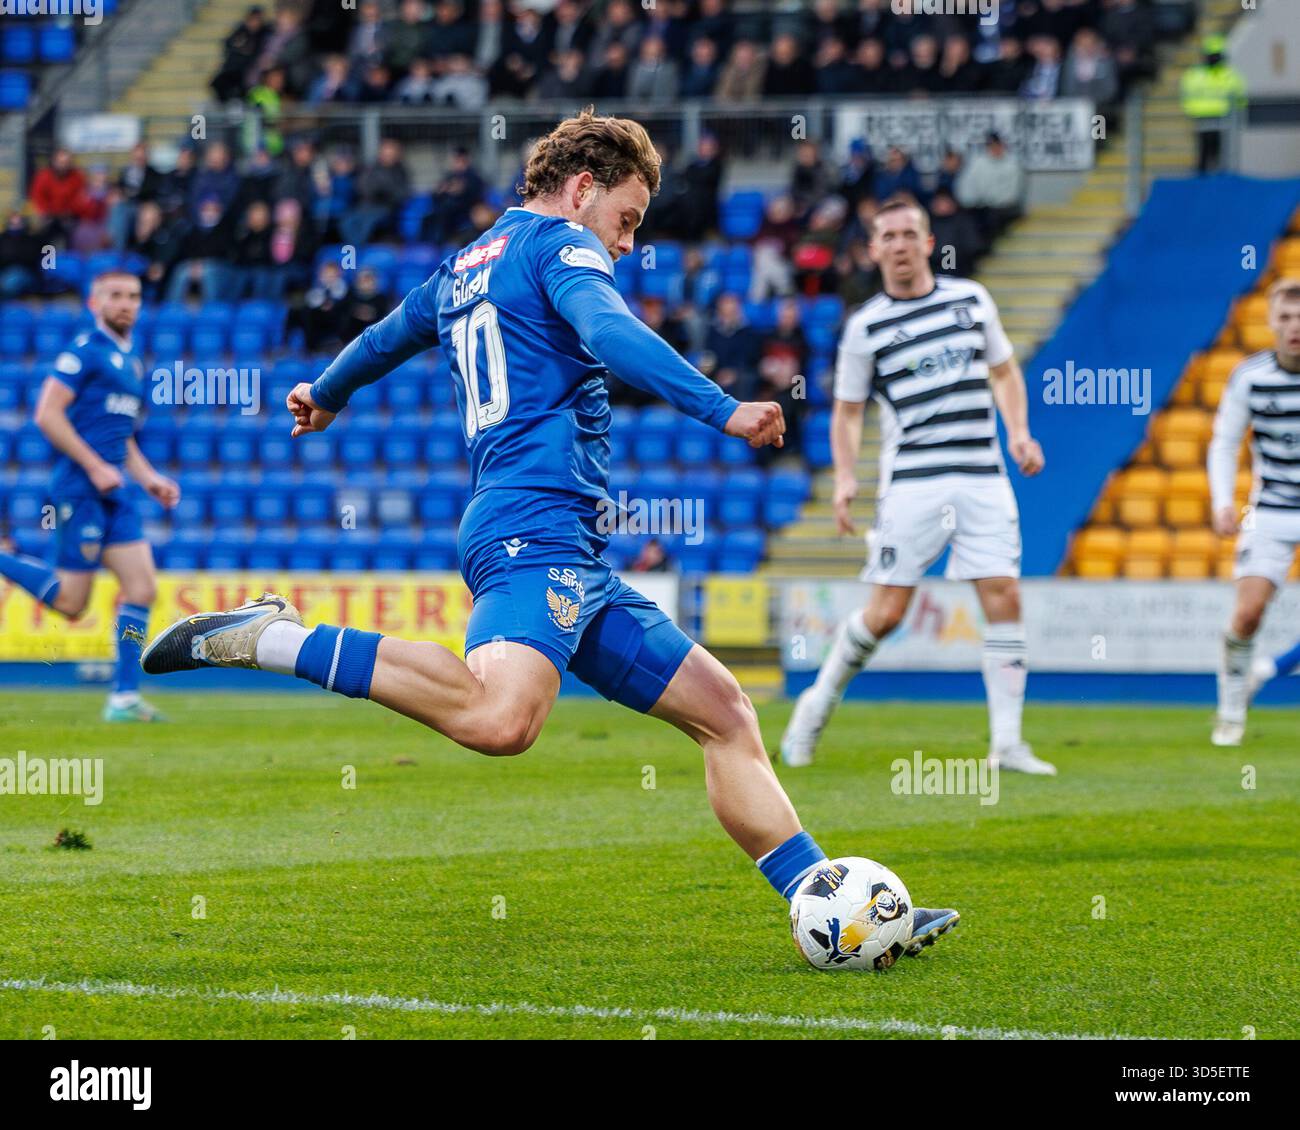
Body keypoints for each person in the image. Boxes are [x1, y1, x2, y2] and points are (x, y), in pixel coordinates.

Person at [141, 110, 958, 955]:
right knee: (502, 721)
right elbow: (608, 331)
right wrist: (722, 407)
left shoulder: (465, 264)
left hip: (567, 545)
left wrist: (329, 390)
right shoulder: (560, 245)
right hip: (530, 525)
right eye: (627, 219)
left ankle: (832, 904)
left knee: (725, 713)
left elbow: (387, 337)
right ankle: (274, 640)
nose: (627, 244)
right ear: (581, 190)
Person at [780, 198, 1054, 776]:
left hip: (982, 474)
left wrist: (1021, 434)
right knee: (885, 613)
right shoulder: (864, 328)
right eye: (889, 236)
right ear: (874, 248)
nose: (901, 244)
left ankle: (1007, 743)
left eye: (910, 234)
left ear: (929, 243)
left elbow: (1004, 371)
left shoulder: (970, 301)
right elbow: (848, 412)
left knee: (1003, 595)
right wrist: (846, 477)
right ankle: (815, 706)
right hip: (911, 483)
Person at [0, 272, 178, 722]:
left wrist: (149, 477)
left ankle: (122, 698)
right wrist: (95, 465)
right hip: (80, 488)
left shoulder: (132, 360)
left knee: (141, 587)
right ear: (95, 303)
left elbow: (122, 437)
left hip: (115, 491)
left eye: (134, 296)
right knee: (71, 604)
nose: (126, 304)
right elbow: (47, 414)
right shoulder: (83, 353)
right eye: (116, 296)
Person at [1207, 278, 1300, 746]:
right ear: (1270, 323)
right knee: (1246, 617)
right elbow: (1224, 443)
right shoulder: (1250, 376)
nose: (1294, 326)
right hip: (1273, 510)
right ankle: (1230, 711)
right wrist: (1223, 501)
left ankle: (1272, 668)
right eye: (1285, 317)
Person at [1180, 35, 1247, 175]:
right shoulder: (1197, 75)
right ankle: (1203, 180)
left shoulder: (1227, 75)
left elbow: (1240, 97)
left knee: (1221, 155)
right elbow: (1186, 95)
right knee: (1204, 153)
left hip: (1223, 119)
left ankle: (1218, 179)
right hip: (1203, 119)